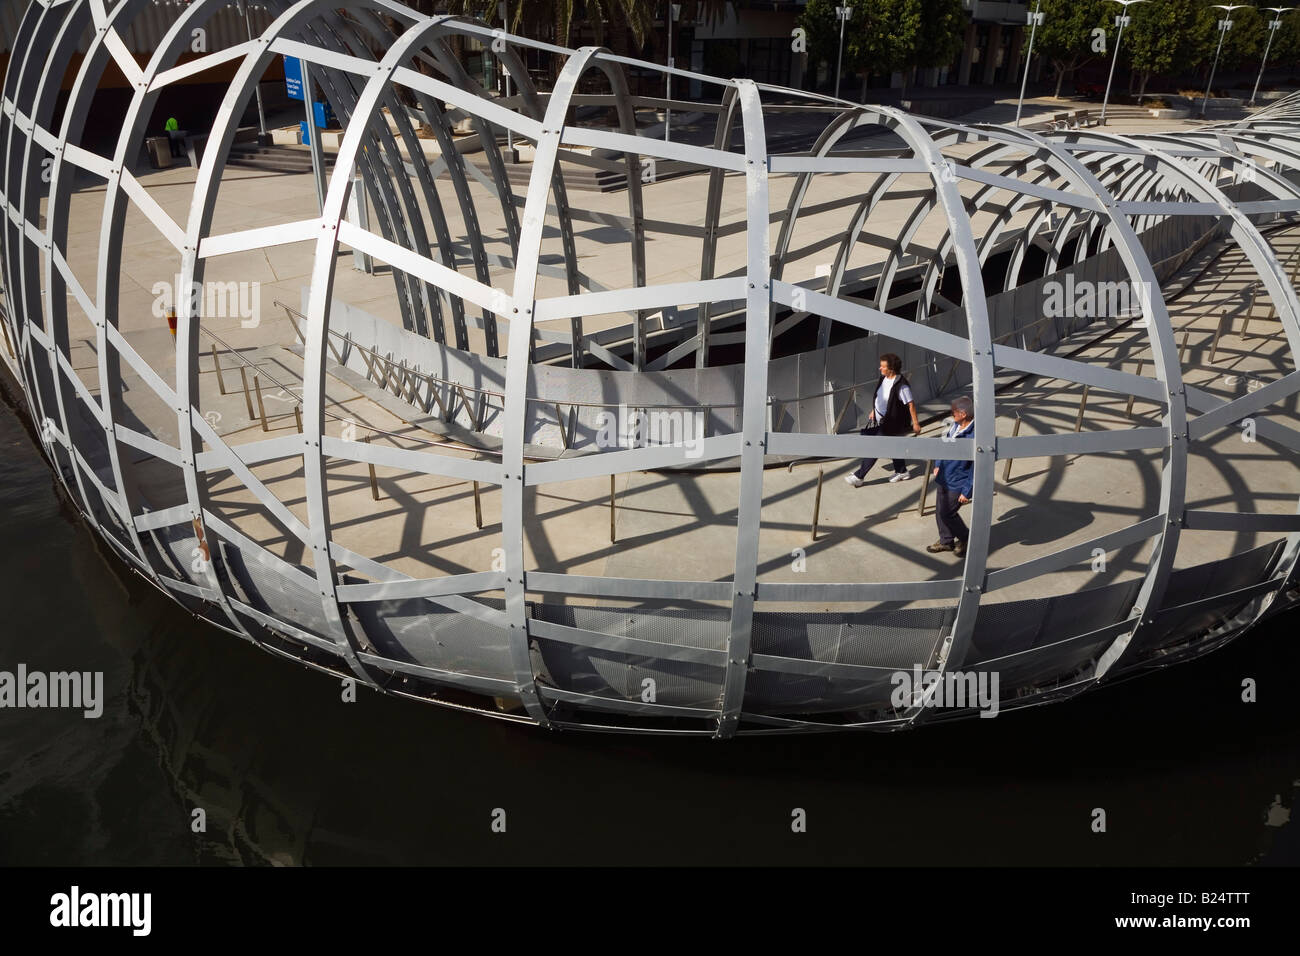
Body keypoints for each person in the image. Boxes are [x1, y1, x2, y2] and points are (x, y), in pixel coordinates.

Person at [844, 352, 921, 487]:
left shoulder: (901, 385)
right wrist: (874, 410)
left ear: (891, 369)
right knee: (891, 445)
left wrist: (915, 423)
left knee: (876, 447)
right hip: (881, 420)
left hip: (892, 423)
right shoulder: (884, 378)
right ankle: (902, 471)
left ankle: (859, 476)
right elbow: (881, 396)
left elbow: (911, 404)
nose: (880, 368)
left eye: (883, 366)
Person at [927, 396, 975, 557]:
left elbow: (977, 467)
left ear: (962, 414)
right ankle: (946, 541)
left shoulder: (974, 435)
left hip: (958, 482)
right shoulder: (953, 425)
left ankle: (965, 537)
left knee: (947, 513)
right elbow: (943, 445)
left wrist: (967, 491)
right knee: (940, 511)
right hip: (944, 478)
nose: (951, 414)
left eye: (954, 411)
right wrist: (938, 464)